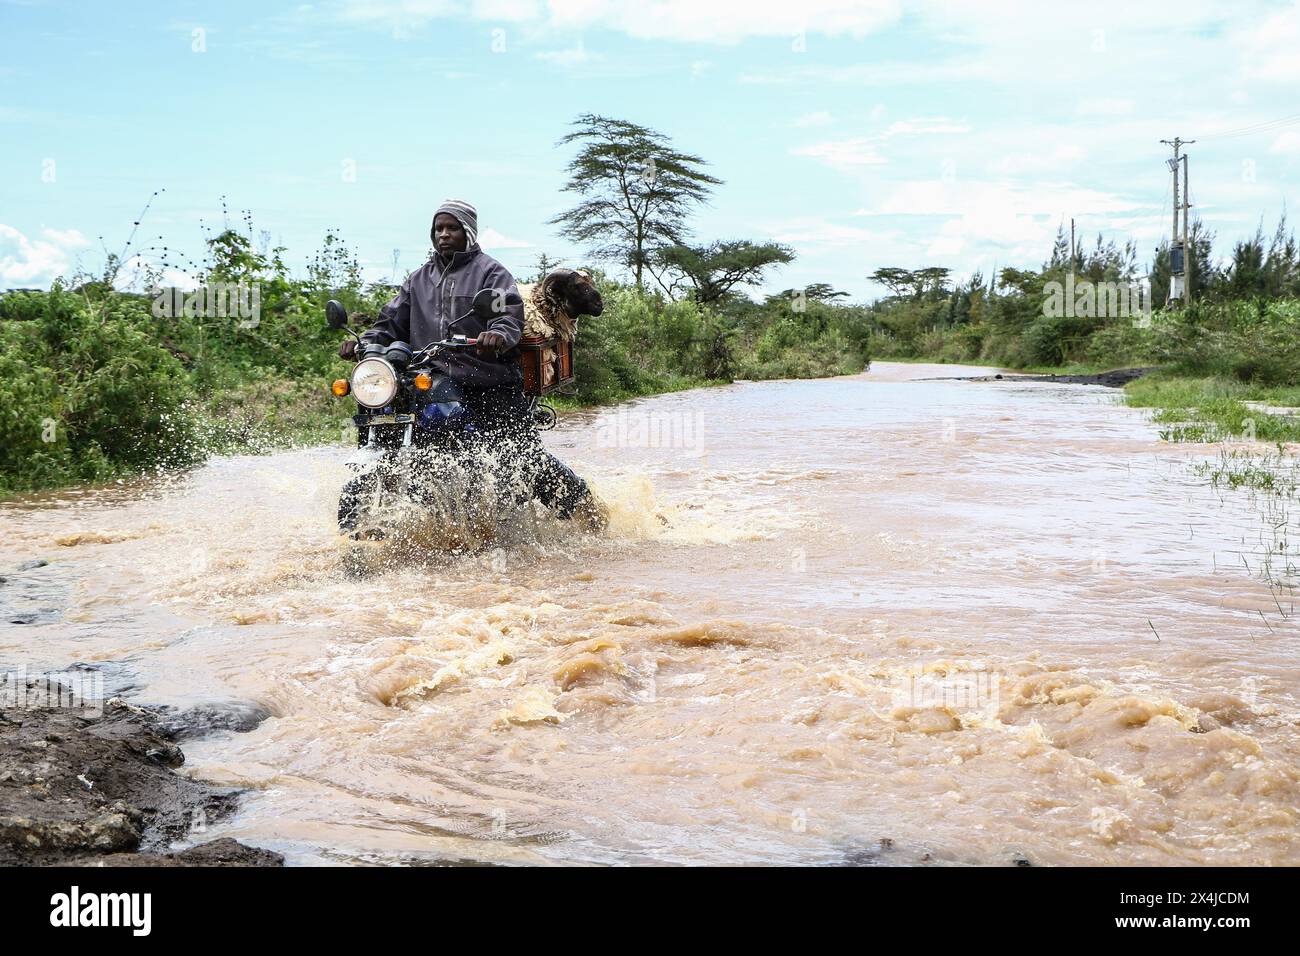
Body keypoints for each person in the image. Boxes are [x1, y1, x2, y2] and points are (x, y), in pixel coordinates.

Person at [339, 199, 604, 530]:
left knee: (519, 455)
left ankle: (580, 506)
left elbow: (509, 313)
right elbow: (390, 321)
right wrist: (363, 342)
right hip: (434, 376)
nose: (444, 235)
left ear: (467, 231)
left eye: (452, 228)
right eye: (439, 229)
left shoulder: (490, 273)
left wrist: (497, 334)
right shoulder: (419, 280)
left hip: (488, 376)